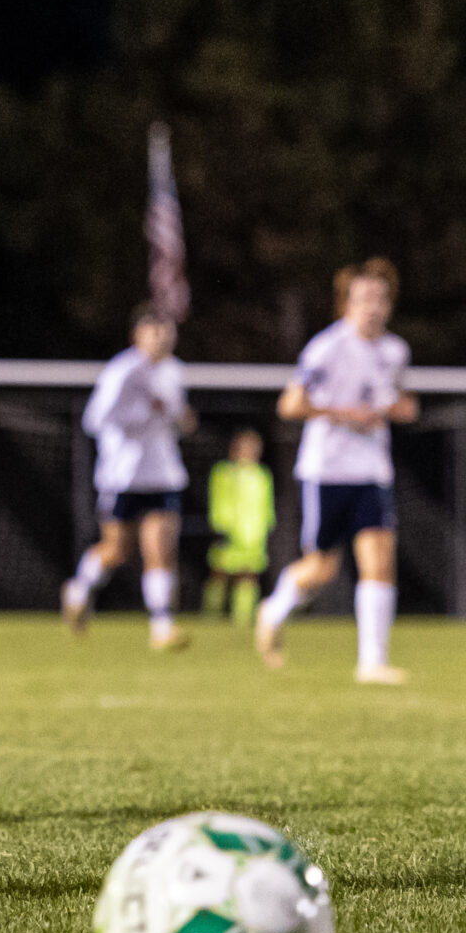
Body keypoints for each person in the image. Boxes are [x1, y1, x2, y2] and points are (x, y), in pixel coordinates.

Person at [255, 259, 415, 683]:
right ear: (347, 303)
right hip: (327, 469)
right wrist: (342, 414)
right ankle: (273, 609)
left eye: (381, 298)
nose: (373, 307)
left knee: (379, 561)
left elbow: (400, 401)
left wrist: (399, 409)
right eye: (364, 299)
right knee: (322, 570)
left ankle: (372, 662)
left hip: (373, 470)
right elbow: (289, 404)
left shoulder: (395, 351)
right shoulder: (326, 348)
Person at [60, 305, 195, 651]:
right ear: (138, 335)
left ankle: (162, 626)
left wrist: (181, 418)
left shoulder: (174, 372)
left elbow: (179, 416)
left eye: (167, 331)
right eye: (155, 331)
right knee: (117, 550)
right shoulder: (122, 371)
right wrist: (140, 413)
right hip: (122, 475)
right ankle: (79, 588)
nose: (163, 337)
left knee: (160, 550)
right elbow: (94, 420)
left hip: (163, 474)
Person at [202, 427, 274, 626]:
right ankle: (211, 614)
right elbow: (218, 499)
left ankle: (242, 618)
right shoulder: (223, 472)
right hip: (229, 531)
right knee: (219, 572)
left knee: (248, 574)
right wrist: (220, 524)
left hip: (253, 533)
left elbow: (266, 504)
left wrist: (267, 523)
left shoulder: (262, 474)